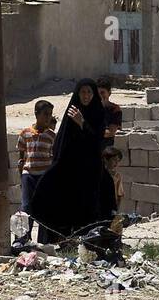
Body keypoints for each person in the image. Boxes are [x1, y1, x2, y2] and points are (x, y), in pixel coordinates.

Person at [27, 79, 116, 243]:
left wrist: (82, 123)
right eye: (83, 92)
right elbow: (61, 142)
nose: (86, 96)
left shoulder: (98, 113)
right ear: (77, 94)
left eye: (89, 92)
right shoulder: (71, 113)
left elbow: (97, 142)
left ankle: (92, 241)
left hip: (90, 170)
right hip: (70, 170)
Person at [13, 100, 56, 247]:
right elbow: (22, 153)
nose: (48, 117)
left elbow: (54, 156)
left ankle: (43, 242)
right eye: (45, 114)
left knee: (44, 208)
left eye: (50, 114)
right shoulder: (25, 133)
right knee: (26, 207)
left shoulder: (51, 136)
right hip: (28, 175)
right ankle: (22, 240)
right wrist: (21, 169)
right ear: (36, 114)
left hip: (44, 176)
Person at [96, 76, 123, 148]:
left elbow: (110, 132)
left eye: (102, 92)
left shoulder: (115, 109)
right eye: (97, 93)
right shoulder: (92, 109)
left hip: (108, 147)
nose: (100, 96)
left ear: (109, 93)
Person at [102, 146, 125, 214]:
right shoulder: (100, 175)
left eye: (118, 161)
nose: (116, 163)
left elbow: (119, 195)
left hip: (110, 208)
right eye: (114, 160)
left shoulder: (117, 176)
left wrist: (116, 210)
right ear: (106, 159)